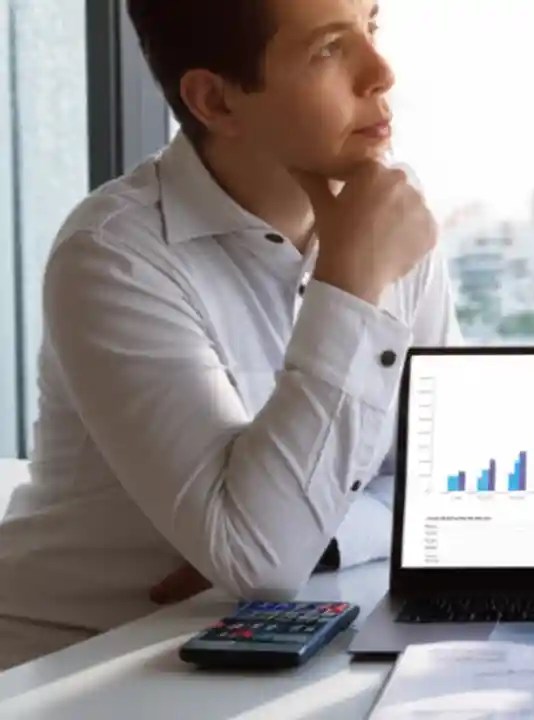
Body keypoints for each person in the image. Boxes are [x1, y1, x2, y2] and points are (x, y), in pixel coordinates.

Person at [0, 0, 459, 670]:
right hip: (80, 665)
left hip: (272, 643)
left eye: (371, 25)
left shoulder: (388, 208)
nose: (381, 72)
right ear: (216, 101)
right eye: (330, 49)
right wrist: (351, 284)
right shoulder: (115, 255)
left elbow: (444, 486)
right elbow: (262, 559)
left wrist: (316, 538)